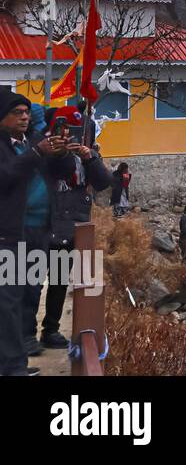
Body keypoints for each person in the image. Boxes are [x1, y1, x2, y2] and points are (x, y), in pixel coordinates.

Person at [0, 89, 71, 375]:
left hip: (38, 231)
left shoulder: (31, 143)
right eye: (17, 112)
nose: (24, 117)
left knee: (26, 295)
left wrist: (63, 152)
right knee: (7, 302)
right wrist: (36, 152)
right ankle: (13, 365)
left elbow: (63, 171)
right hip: (7, 235)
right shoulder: (11, 147)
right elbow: (6, 177)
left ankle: (15, 359)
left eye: (27, 112)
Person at [38, 121, 113, 350]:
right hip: (47, 223)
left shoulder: (89, 155)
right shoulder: (47, 152)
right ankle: (24, 333)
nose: (72, 138)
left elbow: (103, 182)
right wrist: (62, 152)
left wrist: (90, 157)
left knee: (59, 281)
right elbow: (59, 170)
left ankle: (50, 329)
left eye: (81, 134)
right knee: (31, 280)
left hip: (72, 226)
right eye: (66, 132)